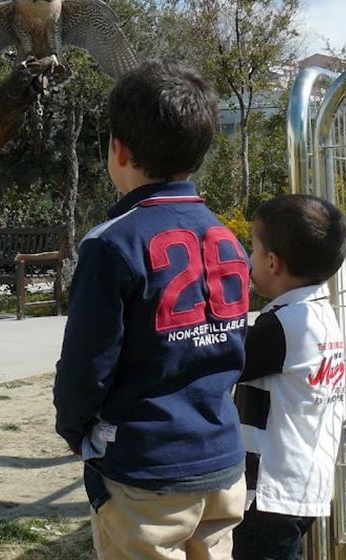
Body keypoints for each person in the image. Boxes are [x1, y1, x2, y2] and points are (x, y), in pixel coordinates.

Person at [54, 60, 251, 560]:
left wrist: (73, 428)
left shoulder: (111, 243)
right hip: (221, 461)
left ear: (118, 149)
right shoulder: (228, 238)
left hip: (145, 471)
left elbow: (87, 364)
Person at [231, 195, 346, 560]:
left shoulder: (283, 326)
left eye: (253, 248)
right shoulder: (320, 316)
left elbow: (224, 359)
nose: (249, 259)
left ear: (272, 262)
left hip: (271, 493)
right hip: (305, 484)